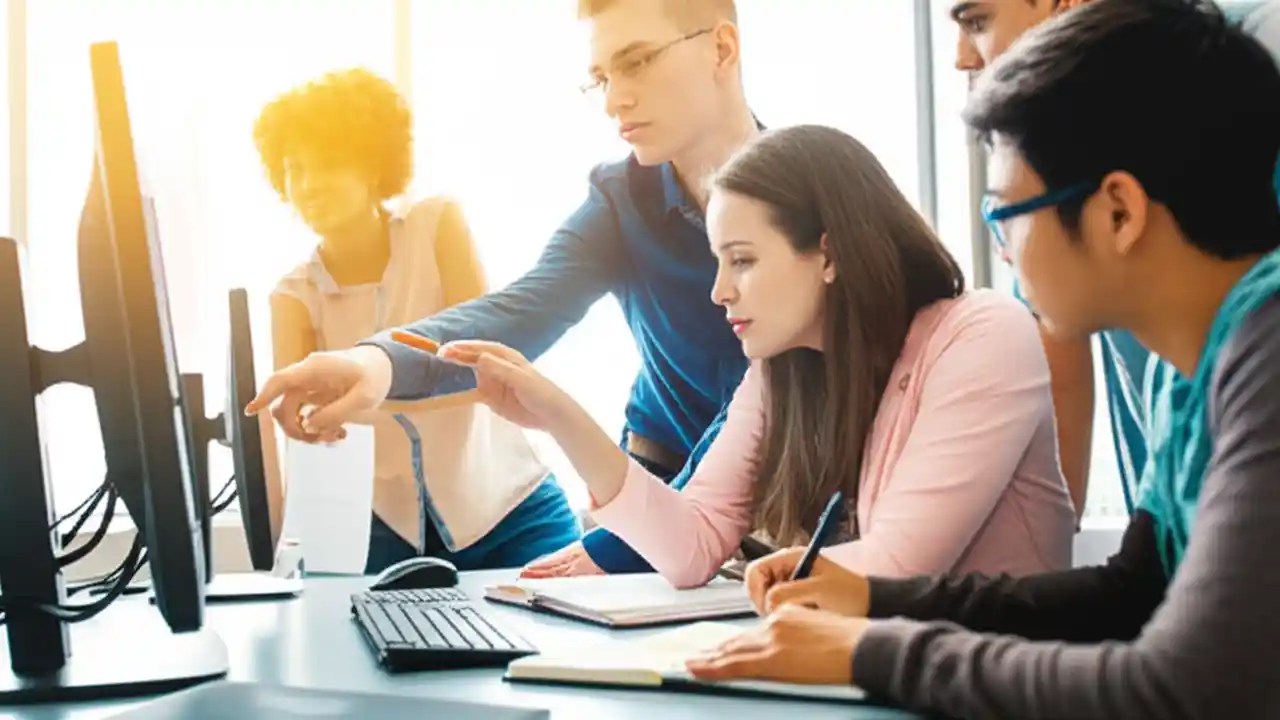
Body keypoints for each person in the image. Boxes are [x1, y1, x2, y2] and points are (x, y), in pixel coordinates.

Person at [684, 2, 1280, 717]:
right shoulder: (1181, 374)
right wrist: (873, 597)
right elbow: (1131, 590)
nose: (1002, 248)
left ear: (1118, 212)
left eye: (1005, 213)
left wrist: (868, 651)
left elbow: (1186, 684)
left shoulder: (1267, 355)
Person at [246, 0, 763, 576]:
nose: (616, 99)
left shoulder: (824, 192)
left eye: (637, 62)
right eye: (602, 78)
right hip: (658, 487)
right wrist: (372, 364)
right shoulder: (619, 200)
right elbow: (519, 311)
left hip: (776, 499)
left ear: (721, 48)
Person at [438, 125, 1076, 587]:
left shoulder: (984, 333)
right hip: (885, 681)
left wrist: (758, 577)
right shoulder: (784, 371)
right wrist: (560, 418)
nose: (719, 290)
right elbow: (690, 549)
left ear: (828, 255)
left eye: (741, 260)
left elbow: (900, 567)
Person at [950, 0, 1280, 520]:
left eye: (977, 21)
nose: (962, 58)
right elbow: (1060, 371)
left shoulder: (1250, 58)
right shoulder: (1050, 178)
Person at [252, 68, 578, 572]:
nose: (310, 185)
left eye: (329, 164)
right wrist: (286, 551)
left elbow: (484, 364)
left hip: (510, 510)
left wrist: (375, 384)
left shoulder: (436, 226)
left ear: (372, 166)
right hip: (384, 533)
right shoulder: (294, 297)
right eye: (296, 169)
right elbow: (304, 434)